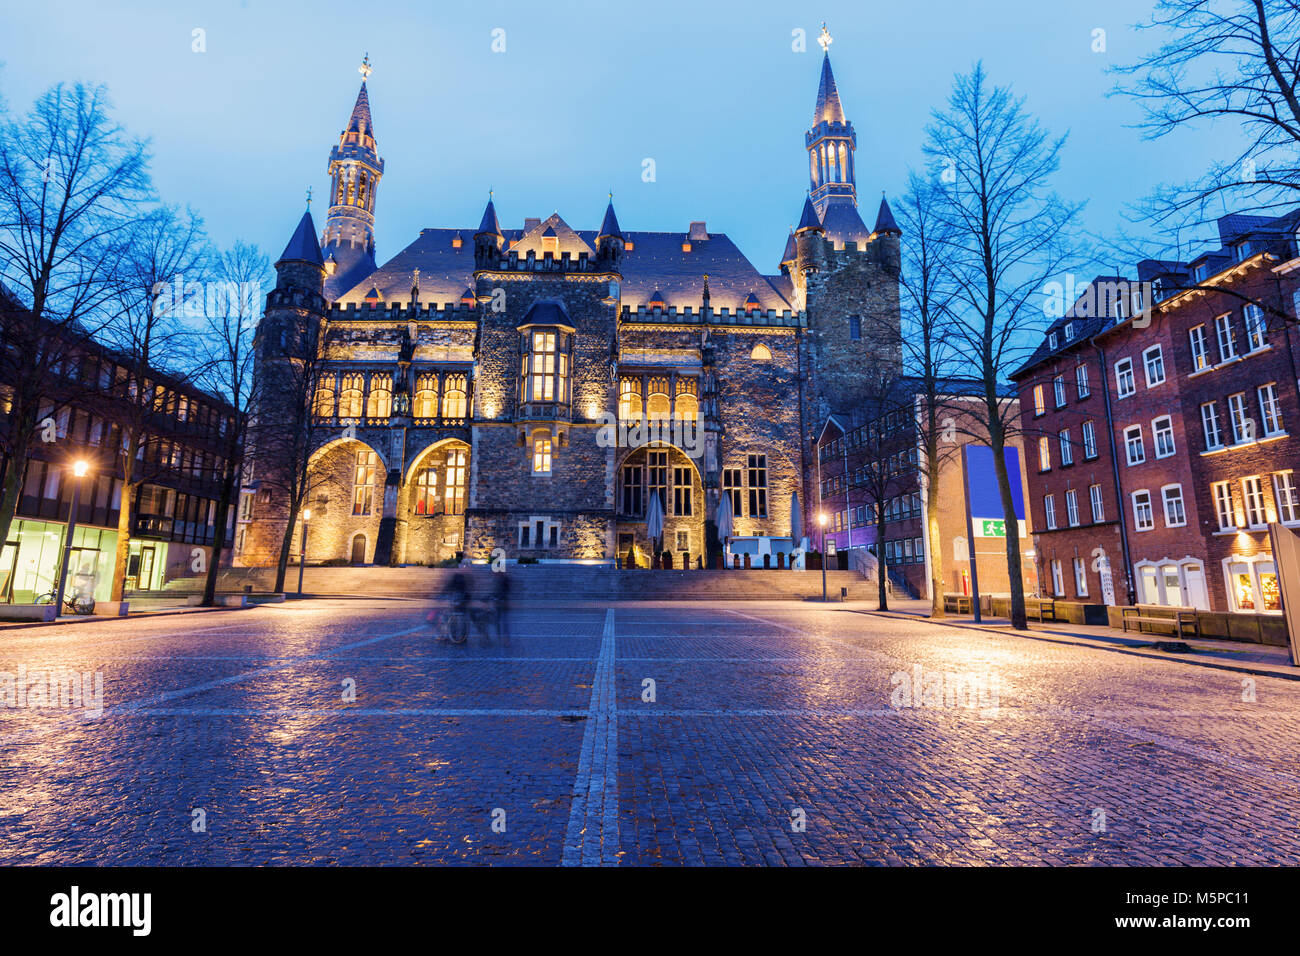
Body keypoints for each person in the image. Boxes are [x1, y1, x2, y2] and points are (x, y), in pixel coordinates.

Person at [492, 567, 511, 643]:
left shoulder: (504, 580)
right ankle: (500, 637)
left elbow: (505, 590)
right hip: (498, 603)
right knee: (498, 621)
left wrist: (499, 597)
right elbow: (494, 591)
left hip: (502, 603)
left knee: (503, 621)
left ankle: (504, 637)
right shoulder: (497, 580)